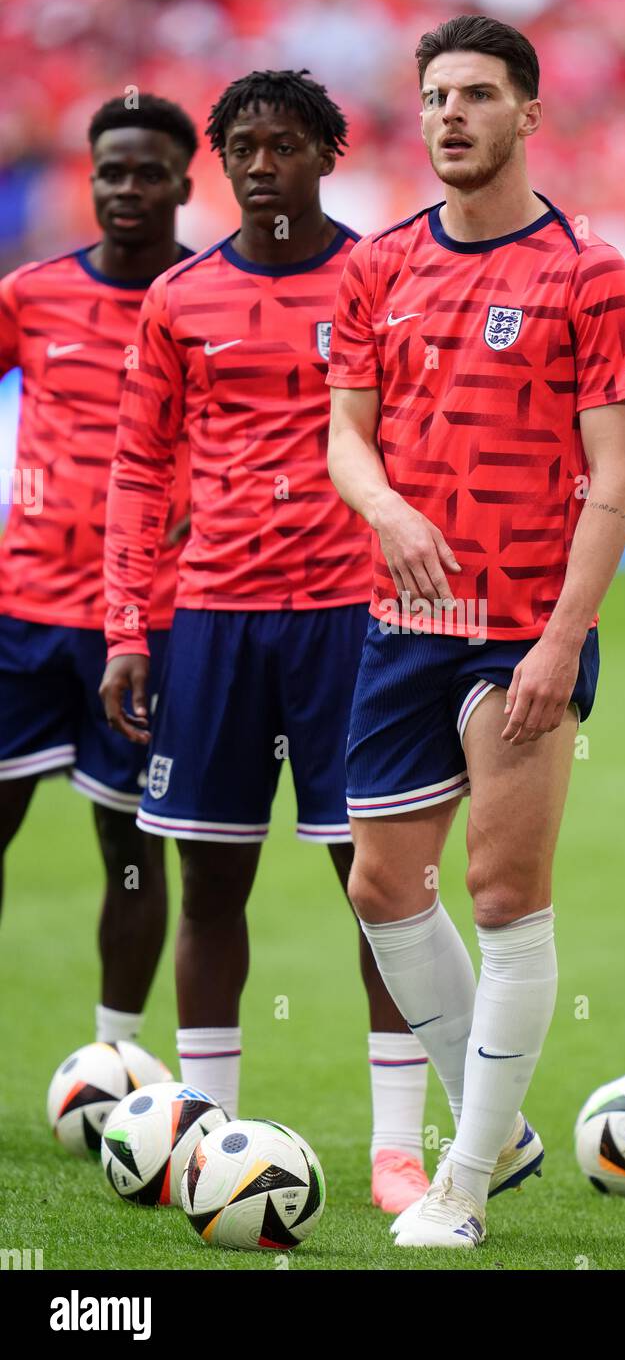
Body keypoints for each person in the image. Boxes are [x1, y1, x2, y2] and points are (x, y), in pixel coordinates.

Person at [327, 15, 625, 1248]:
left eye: (475, 94)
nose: (449, 114)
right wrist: (387, 503)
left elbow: (614, 473)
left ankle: (460, 1186)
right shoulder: (380, 265)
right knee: (379, 886)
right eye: (433, 96)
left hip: (521, 633)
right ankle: (496, 1124)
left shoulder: (586, 271)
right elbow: (344, 432)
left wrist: (564, 639)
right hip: (402, 623)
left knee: (503, 893)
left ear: (528, 114)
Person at [101, 70, 430, 1216]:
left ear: (326, 157)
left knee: (378, 885)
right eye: (239, 145)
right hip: (216, 620)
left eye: (282, 144)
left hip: (353, 617)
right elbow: (140, 469)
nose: (257, 164)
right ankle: (201, 1130)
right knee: (209, 884)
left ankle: (398, 1147)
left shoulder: (381, 280)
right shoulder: (179, 299)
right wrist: (127, 624)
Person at [0, 94, 195, 1045]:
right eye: (111, 171)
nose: (127, 188)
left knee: (128, 839)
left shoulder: (210, 298)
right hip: (23, 612)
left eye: (147, 171)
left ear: (185, 184)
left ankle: (114, 1051)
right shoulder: (33, 294)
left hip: (153, 624)